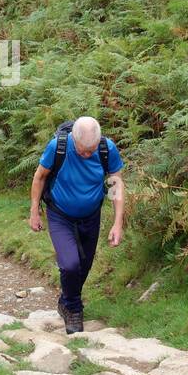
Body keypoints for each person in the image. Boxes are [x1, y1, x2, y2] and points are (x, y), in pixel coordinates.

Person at [29, 116, 125, 334]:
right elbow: (39, 177)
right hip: (60, 214)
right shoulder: (58, 147)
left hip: (91, 215)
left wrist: (117, 222)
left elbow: (115, 183)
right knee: (70, 264)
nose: (87, 155)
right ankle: (73, 309)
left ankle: (66, 300)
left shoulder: (106, 149)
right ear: (74, 140)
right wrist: (34, 211)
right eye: (83, 151)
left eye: (91, 151)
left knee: (84, 265)